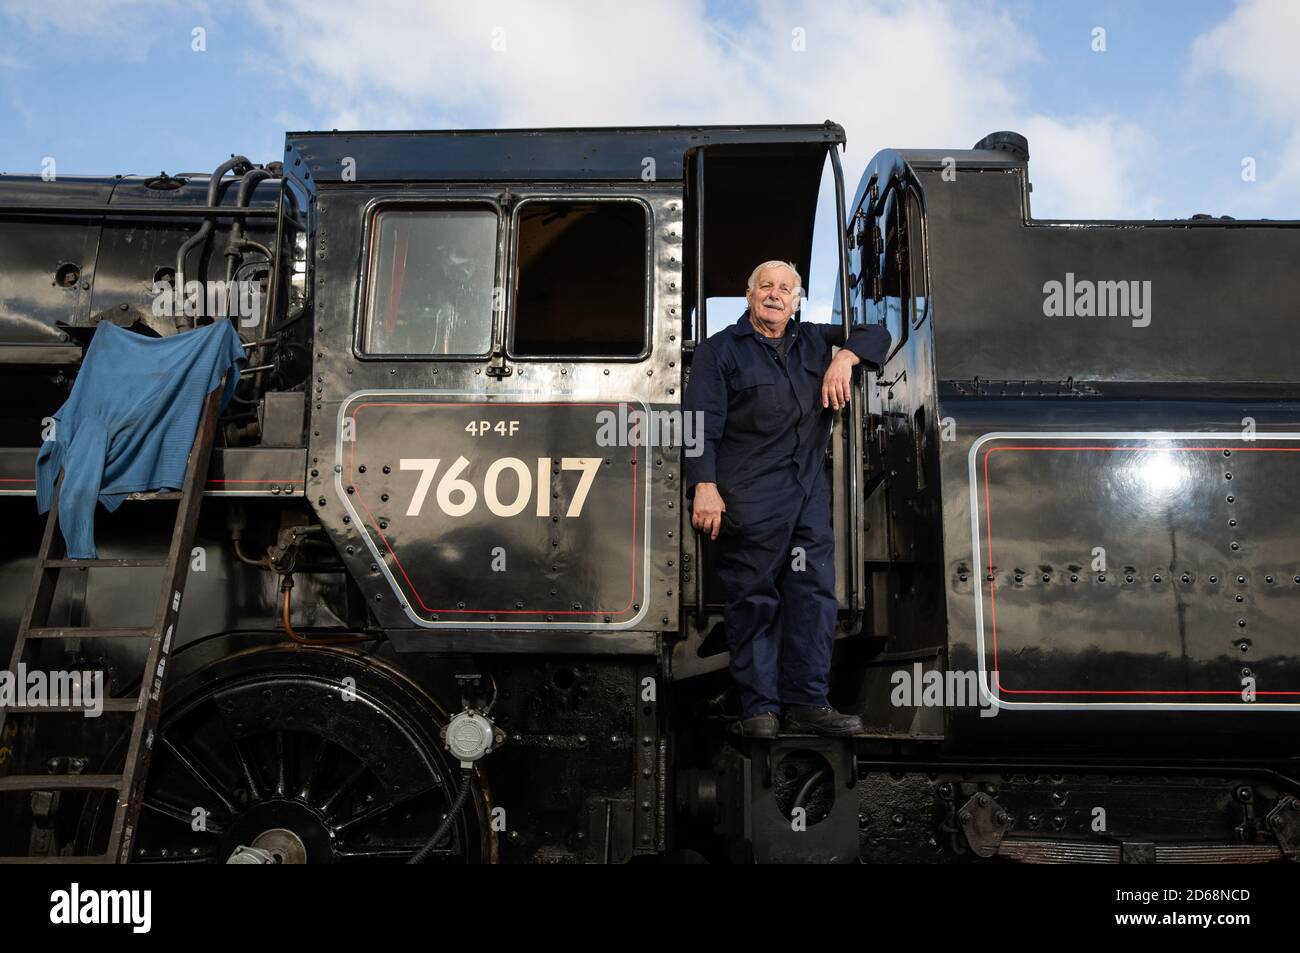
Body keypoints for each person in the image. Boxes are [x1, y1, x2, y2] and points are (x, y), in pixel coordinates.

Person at [685, 260, 890, 738]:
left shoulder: (815, 340)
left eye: (785, 288)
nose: (775, 295)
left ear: (797, 300)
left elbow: (876, 332)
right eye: (766, 287)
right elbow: (699, 426)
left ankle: (807, 702)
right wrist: (705, 486)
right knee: (754, 599)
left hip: (806, 494)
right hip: (747, 494)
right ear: (749, 294)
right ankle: (758, 709)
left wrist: (845, 358)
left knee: (813, 597)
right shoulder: (721, 352)